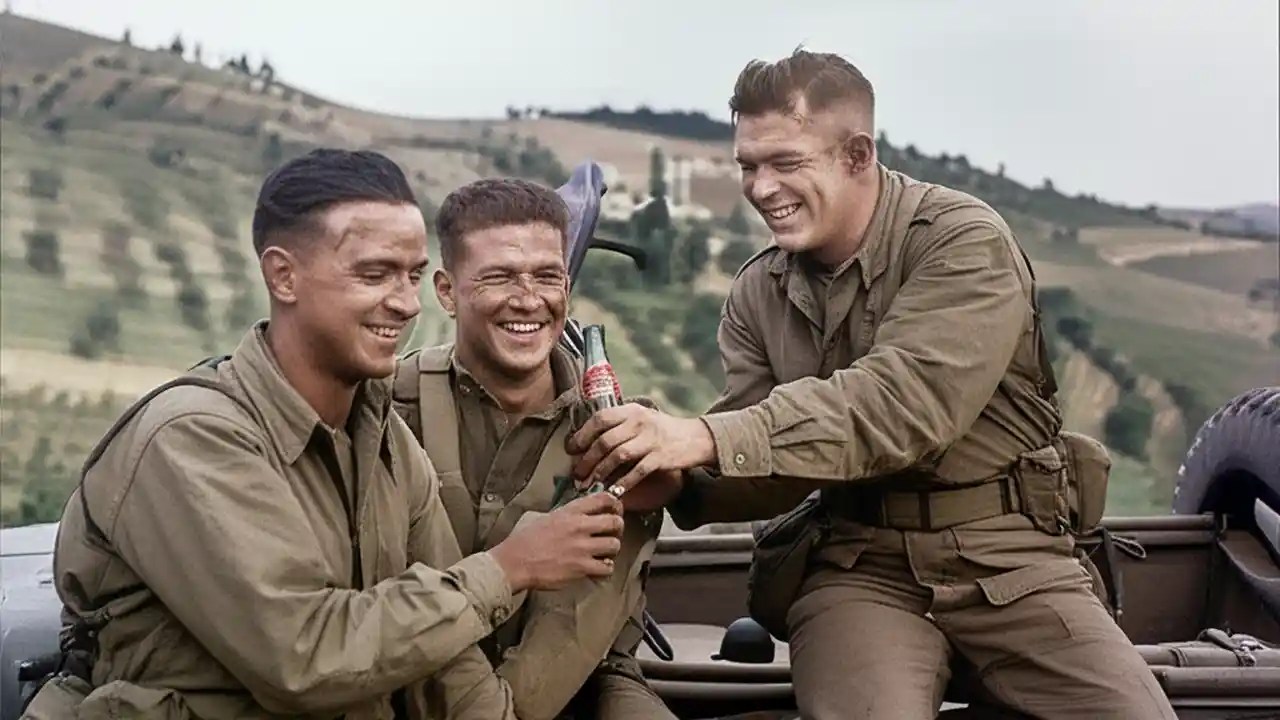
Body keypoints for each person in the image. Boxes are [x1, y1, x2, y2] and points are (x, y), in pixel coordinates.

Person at [567, 50, 1177, 719]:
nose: (761, 187)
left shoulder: (961, 242)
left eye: (785, 163)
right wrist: (679, 476)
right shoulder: (758, 291)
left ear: (857, 155)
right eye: (748, 165)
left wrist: (702, 436)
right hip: (862, 563)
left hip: (1010, 555)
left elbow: (901, 404)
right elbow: (772, 462)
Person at [24, 149, 628, 720]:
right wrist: (509, 567)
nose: (404, 303)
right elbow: (303, 657)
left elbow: (445, 655)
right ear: (284, 277)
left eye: (412, 275)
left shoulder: (384, 442)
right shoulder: (192, 439)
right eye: (374, 274)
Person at [390, 176, 675, 720]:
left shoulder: (618, 435)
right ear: (447, 292)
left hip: (573, 687)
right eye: (498, 278)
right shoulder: (389, 410)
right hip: (410, 681)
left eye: (547, 277)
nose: (529, 299)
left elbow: (567, 640)